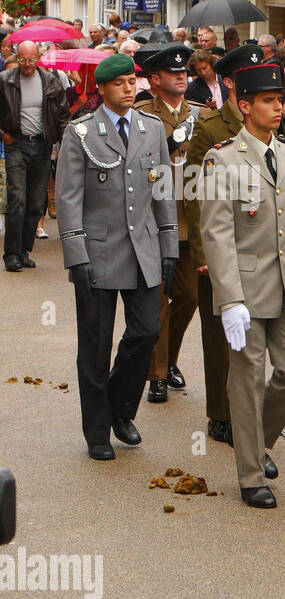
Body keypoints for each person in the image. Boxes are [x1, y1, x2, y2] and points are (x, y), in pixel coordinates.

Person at [200, 60, 285, 508]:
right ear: (245, 106)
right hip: (246, 288)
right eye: (269, 101)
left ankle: (257, 439)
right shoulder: (222, 158)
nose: (279, 107)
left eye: (280, 100)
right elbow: (216, 233)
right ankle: (251, 474)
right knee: (247, 380)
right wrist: (229, 298)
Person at [56, 53, 178, 460]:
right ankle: (96, 433)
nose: (131, 88)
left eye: (133, 81)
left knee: (146, 332)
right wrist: (76, 254)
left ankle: (121, 408)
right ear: (103, 90)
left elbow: (162, 190)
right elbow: (69, 197)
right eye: (121, 83)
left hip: (143, 251)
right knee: (95, 346)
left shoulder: (152, 128)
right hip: (97, 251)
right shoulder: (81, 133)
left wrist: (168, 245)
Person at [184, 43, 267, 447]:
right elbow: (194, 190)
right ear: (232, 82)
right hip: (220, 241)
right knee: (219, 335)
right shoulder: (211, 126)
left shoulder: (269, 121)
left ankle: (249, 408)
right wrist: (202, 254)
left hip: (259, 242)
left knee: (254, 330)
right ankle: (221, 412)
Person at [135, 44, 205, 404]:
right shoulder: (141, 115)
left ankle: (170, 358)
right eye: (173, 72)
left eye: (185, 71)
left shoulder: (203, 115)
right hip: (154, 219)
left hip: (192, 221)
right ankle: (157, 374)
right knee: (157, 299)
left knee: (190, 296)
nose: (182, 75)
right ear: (155, 80)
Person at [2, 41, 69, 272]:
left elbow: (61, 115)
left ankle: (24, 250)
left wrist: (63, 143)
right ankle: (11, 254)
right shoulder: (5, 79)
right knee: (17, 198)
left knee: (36, 203)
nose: (27, 64)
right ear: (16, 57)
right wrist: (3, 133)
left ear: (38, 58)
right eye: (22, 60)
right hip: (16, 144)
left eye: (31, 60)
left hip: (42, 145)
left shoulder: (50, 81)